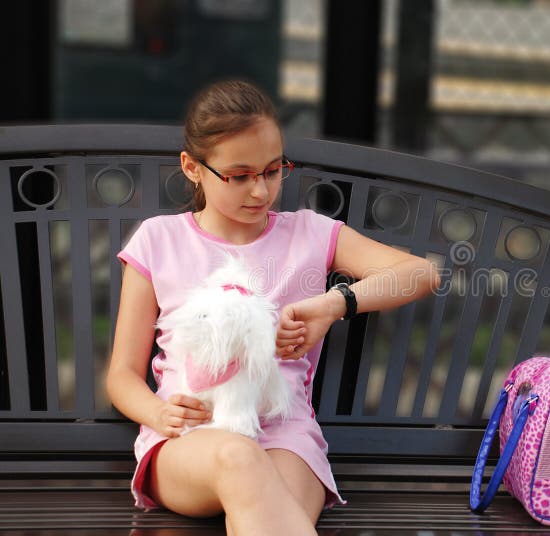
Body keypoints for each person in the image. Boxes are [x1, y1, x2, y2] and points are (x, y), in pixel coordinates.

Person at [106, 79, 439, 536]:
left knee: (277, 518)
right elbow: (121, 375)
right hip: (188, 442)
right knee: (239, 458)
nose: (260, 191)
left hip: (285, 437)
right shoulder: (159, 240)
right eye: (239, 175)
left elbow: (421, 273)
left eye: (273, 170)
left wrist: (333, 304)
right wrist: (159, 413)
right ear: (192, 167)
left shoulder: (309, 234)